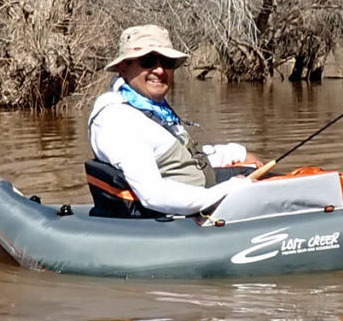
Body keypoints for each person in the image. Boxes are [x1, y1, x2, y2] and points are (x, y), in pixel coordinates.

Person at [88, 24, 257, 216]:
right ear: (123, 67)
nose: (160, 70)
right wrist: (226, 191)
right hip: (182, 213)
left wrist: (235, 154)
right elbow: (154, 194)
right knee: (262, 187)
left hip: (201, 188)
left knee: (255, 166)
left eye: (167, 62)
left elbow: (178, 157)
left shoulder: (150, 107)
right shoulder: (118, 121)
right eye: (148, 60)